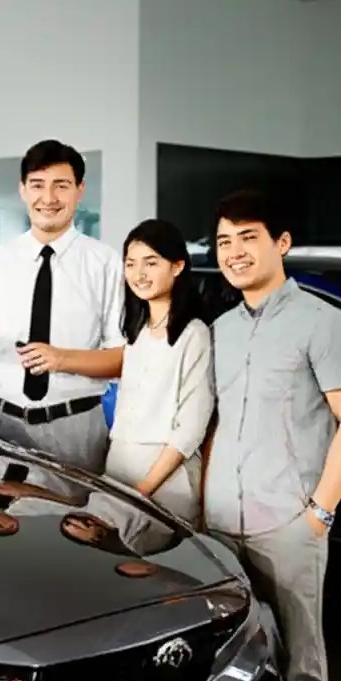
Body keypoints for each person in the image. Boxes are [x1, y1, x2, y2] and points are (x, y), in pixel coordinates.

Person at [202, 189, 341, 681]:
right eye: (224, 241)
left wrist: (319, 514)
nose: (234, 251)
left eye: (248, 238)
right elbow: (214, 423)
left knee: (302, 663)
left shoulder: (326, 324)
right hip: (219, 520)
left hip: (288, 521)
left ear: (282, 242)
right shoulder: (218, 331)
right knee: (230, 659)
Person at [0, 139, 125, 473]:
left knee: (74, 521)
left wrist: (61, 359)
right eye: (37, 186)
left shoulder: (106, 263)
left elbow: (122, 360)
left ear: (79, 190)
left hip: (75, 429)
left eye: (61, 186)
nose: (48, 198)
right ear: (22, 190)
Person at [104, 219, 214, 527]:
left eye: (151, 263)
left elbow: (190, 427)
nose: (139, 274)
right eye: (131, 264)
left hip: (165, 480)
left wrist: (144, 489)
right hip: (119, 466)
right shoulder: (135, 331)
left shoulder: (193, 334)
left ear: (177, 267)